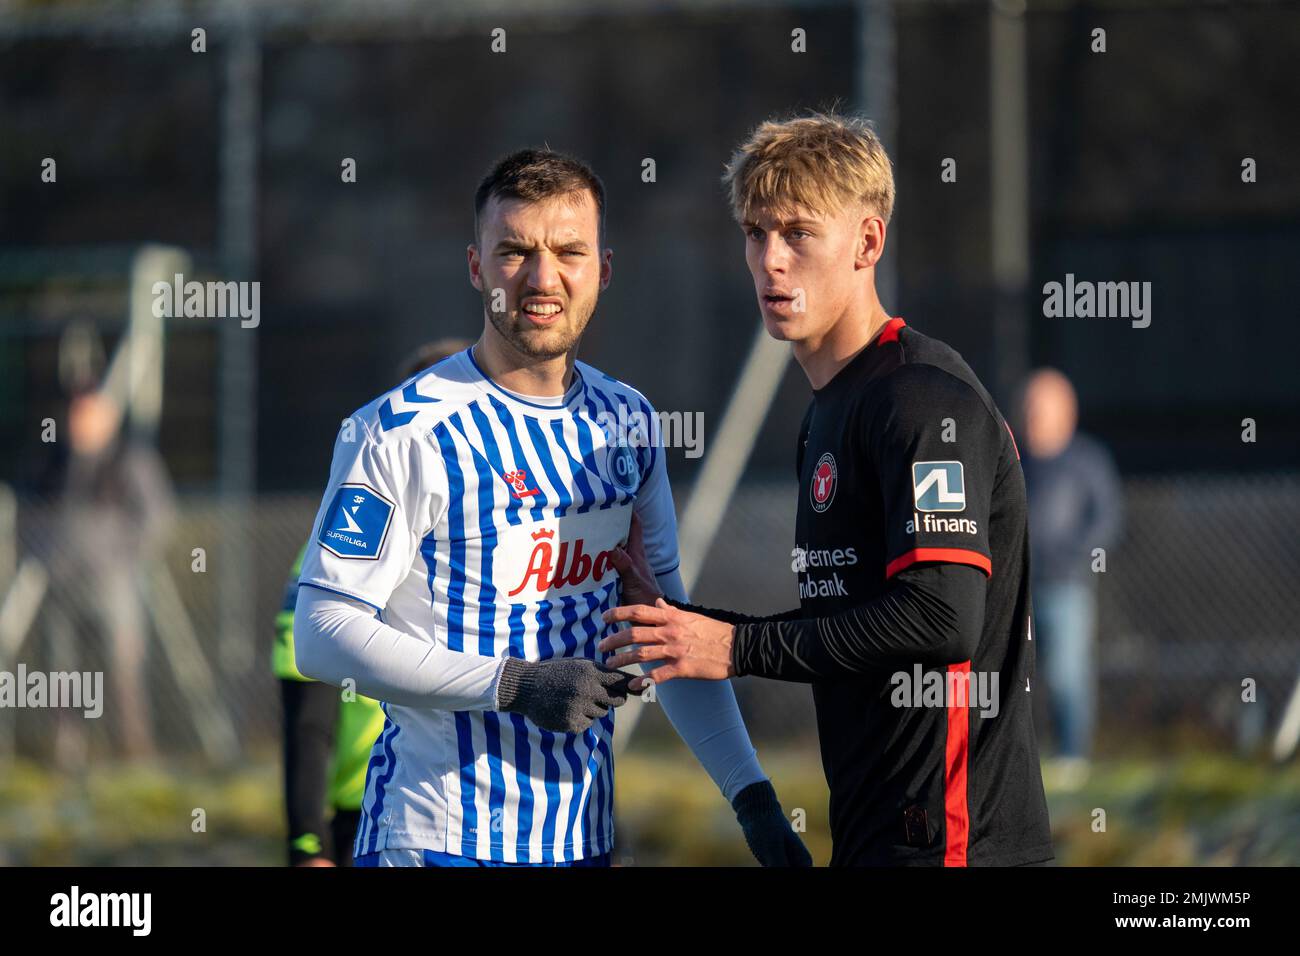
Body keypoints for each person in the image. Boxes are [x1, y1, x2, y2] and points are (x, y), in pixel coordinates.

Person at [293, 148, 809, 867]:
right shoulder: (401, 429)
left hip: (583, 843)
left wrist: (752, 800)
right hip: (437, 840)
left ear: (603, 269)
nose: (542, 278)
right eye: (514, 251)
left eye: (569, 251)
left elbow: (667, 629)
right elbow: (321, 632)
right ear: (476, 267)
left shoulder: (627, 422)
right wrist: (513, 684)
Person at [601, 111, 1054, 866]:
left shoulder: (921, 399)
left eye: (798, 233)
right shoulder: (828, 411)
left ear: (867, 243)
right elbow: (850, 622)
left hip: (957, 846)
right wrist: (682, 625)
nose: (771, 261)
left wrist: (737, 645)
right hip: (879, 840)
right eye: (755, 233)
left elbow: (943, 616)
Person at [274, 339, 472, 867]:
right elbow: (309, 721)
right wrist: (306, 843)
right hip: (371, 815)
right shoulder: (332, 558)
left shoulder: (503, 545)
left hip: (500, 807)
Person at [1019, 368, 1122, 788]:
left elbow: (1108, 520)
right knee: (1015, 680)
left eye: (1042, 407)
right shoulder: (1011, 459)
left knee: (1066, 673)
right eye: (1029, 407)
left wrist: (1074, 553)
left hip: (1066, 587)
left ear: (1067, 411)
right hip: (1015, 589)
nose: (1034, 416)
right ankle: (1018, 764)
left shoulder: (1087, 461)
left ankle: (1072, 758)